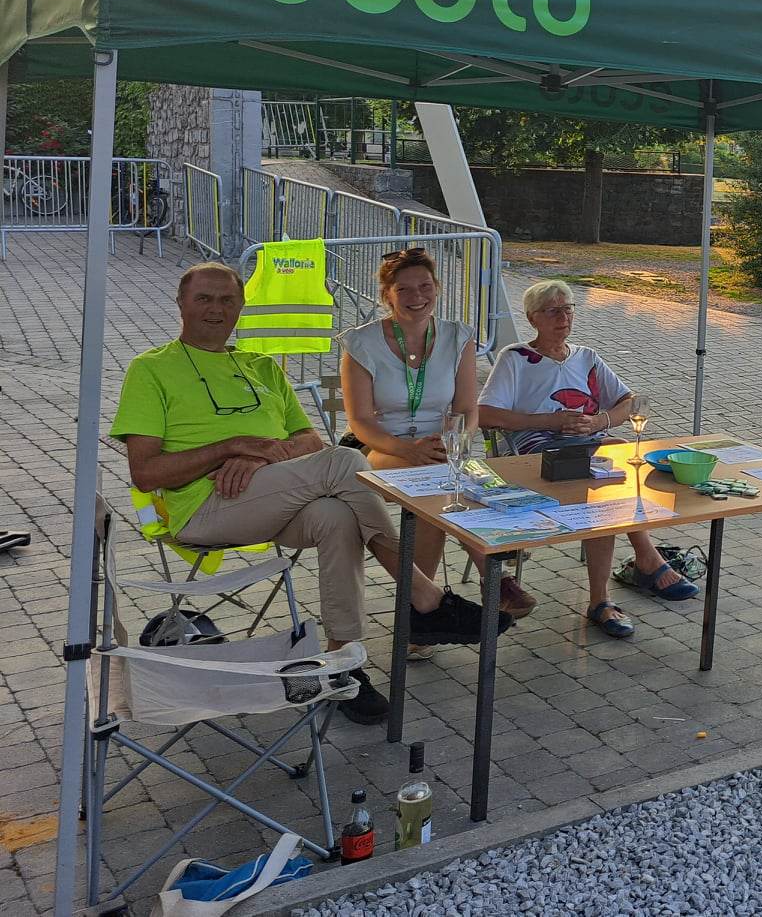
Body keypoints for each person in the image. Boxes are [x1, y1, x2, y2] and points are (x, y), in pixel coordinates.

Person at [112, 262, 511, 725]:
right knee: (346, 462)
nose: (216, 309)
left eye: (227, 299)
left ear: (241, 306)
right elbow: (145, 473)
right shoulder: (151, 368)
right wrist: (230, 447)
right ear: (181, 303)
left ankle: (344, 664)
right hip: (203, 507)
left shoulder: (259, 366)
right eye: (204, 298)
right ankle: (422, 597)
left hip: (270, 496)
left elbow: (309, 441)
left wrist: (262, 456)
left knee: (336, 517)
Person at [479, 279, 698, 640]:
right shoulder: (516, 358)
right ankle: (629, 576)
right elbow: (485, 414)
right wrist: (550, 421)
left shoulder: (586, 357)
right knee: (602, 488)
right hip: (536, 449)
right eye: (553, 311)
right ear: (533, 318)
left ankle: (628, 575)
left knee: (621, 458)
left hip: (587, 442)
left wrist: (599, 421)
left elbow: (630, 402)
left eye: (568, 309)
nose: (563, 318)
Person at [339, 248, 536, 624]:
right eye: (404, 289)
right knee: (440, 481)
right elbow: (360, 421)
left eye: (425, 286)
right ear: (387, 295)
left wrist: (457, 440)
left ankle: (419, 616)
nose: (417, 297)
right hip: (378, 444)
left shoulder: (456, 336)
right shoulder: (362, 343)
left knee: (440, 487)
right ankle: (493, 578)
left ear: (438, 288)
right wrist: (408, 450)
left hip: (442, 448)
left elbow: (468, 409)